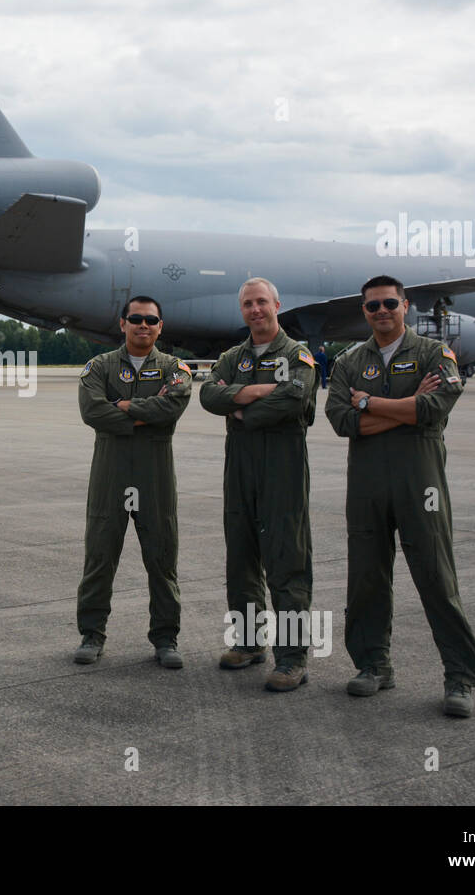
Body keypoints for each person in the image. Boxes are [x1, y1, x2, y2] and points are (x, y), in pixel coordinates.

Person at [324, 275, 475, 718]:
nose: (381, 312)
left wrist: (368, 404)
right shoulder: (350, 360)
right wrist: (405, 408)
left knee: (435, 576)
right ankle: (374, 665)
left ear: (405, 305)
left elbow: (435, 408)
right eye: (372, 306)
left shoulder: (433, 353)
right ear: (364, 311)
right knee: (367, 579)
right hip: (368, 484)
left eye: (389, 303)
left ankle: (460, 676)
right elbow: (340, 419)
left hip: (421, 482)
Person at [199, 278, 319, 691]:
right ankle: (249, 643)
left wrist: (243, 410)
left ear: (277, 305)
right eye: (248, 304)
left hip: (282, 467)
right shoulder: (233, 356)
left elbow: (295, 397)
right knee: (242, 556)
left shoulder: (296, 353)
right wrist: (256, 390)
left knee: (287, 560)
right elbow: (209, 397)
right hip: (240, 468)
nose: (255, 310)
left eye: (262, 302)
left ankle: (292, 657)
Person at [74, 296, 193, 668]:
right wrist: (146, 415)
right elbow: (93, 411)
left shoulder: (175, 368)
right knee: (100, 554)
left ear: (161, 326)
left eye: (151, 320)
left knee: (161, 557)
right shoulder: (99, 366)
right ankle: (92, 634)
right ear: (122, 323)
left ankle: (165, 638)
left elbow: (172, 407)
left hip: (154, 475)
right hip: (111, 473)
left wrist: (124, 406)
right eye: (136, 318)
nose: (143, 325)